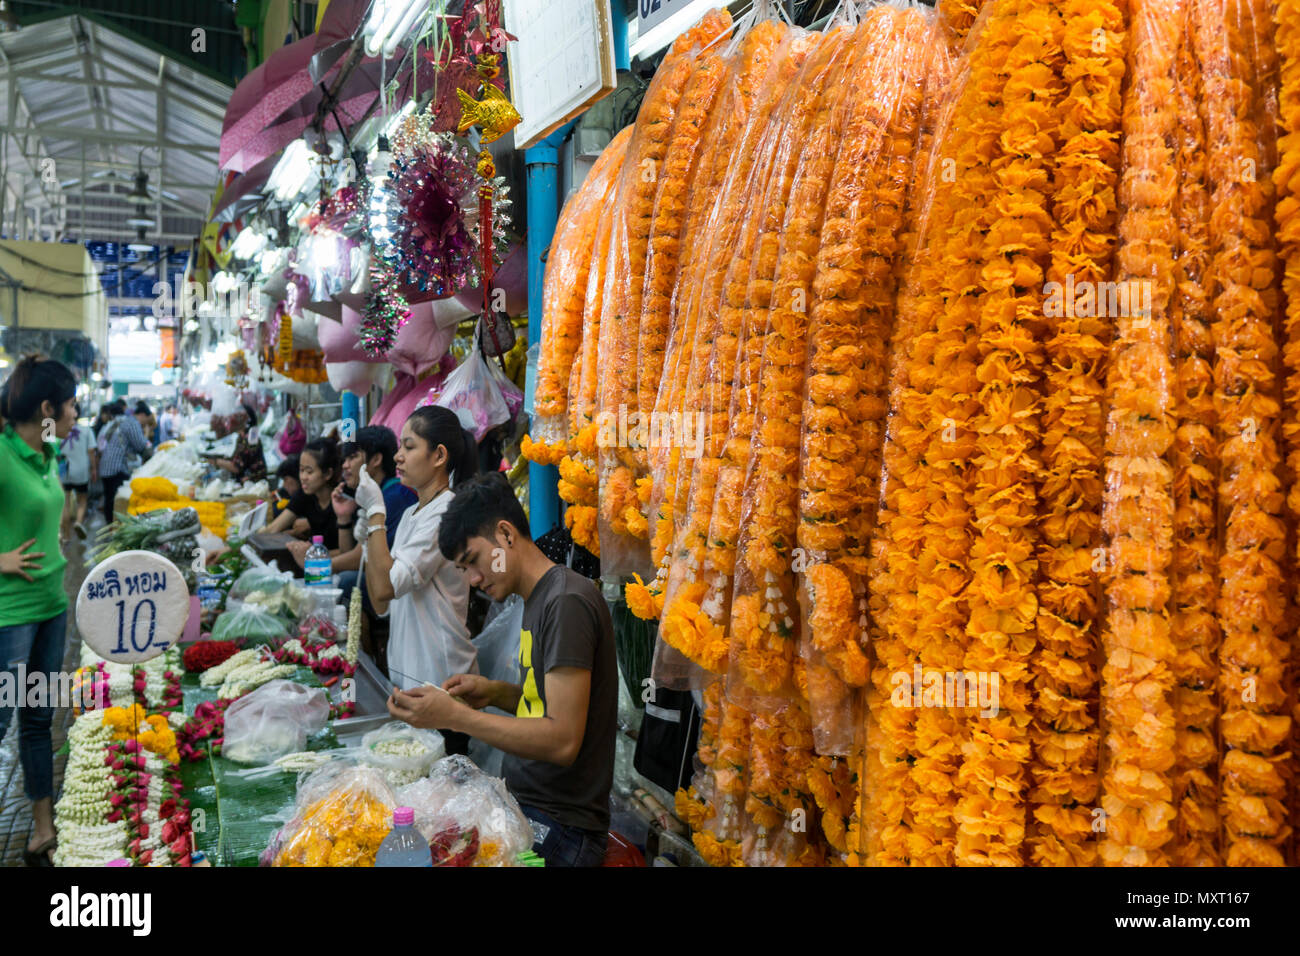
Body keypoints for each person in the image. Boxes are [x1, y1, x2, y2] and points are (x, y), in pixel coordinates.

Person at [387, 472, 617, 867]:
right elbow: (548, 705)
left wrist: (456, 717)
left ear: (506, 535)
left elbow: (562, 739)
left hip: (562, 828)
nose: (474, 580)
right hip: (529, 808)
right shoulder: (538, 598)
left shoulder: (566, 602)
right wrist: (494, 693)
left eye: (473, 561)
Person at [356, 408, 478, 755]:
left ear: (439, 455)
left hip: (439, 680)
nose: (398, 456)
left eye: (409, 447)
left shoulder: (446, 513)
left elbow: (384, 588)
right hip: (409, 674)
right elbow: (380, 603)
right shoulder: (412, 514)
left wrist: (377, 514)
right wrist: (370, 533)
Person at [0, 356, 78, 866]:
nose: (75, 416)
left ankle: (41, 832)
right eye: (71, 406)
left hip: (52, 607)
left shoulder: (47, 455)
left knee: (37, 717)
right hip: (10, 616)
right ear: (48, 407)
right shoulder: (3, 456)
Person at [331, 425, 417, 602]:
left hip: (400, 589)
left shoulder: (394, 497)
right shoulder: (373, 495)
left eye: (353, 457)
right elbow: (355, 554)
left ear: (376, 459)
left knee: (345, 582)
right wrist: (344, 518)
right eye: (344, 459)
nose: (345, 465)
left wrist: (317, 568)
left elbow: (358, 559)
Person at [266, 437, 343, 565]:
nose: (303, 477)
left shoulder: (342, 500)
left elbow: (346, 551)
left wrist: (312, 553)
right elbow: (274, 528)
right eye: (301, 470)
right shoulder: (304, 495)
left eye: (309, 471)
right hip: (313, 560)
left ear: (328, 474)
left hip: (337, 565)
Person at [97, 400, 153, 525]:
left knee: (109, 500)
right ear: (143, 415)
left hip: (106, 466)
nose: (146, 423)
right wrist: (152, 452)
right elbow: (140, 445)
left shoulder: (118, 422)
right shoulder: (132, 423)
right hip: (117, 468)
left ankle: (109, 528)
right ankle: (113, 529)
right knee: (116, 503)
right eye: (147, 419)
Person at [58, 405, 96, 541]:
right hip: (81, 470)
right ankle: (78, 522)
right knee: (82, 500)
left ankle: (66, 535)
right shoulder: (86, 430)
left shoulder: (58, 429)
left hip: (63, 471)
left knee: (65, 502)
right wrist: (94, 469)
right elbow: (91, 451)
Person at [211, 402, 266, 484]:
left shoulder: (249, 438)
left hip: (253, 485)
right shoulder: (242, 437)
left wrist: (215, 461)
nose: (229, 421)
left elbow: (236, 467)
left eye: (233, 417)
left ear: (242, 420)